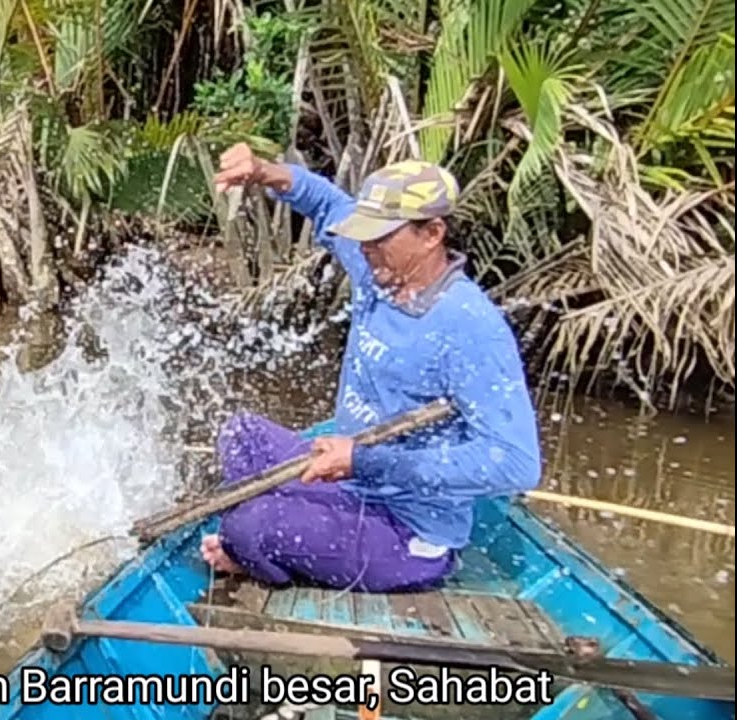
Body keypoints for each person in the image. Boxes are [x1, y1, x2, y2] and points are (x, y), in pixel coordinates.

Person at [198, 145, 543, 592]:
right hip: (351, 483)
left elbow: (516, 465)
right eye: (364, 236)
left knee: (253, 525)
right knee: (241, 434)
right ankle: (274, 538)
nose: (365, 248)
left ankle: (252, 553)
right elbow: (326, 204)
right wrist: (264, 172)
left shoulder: (469, 326)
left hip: (409, 531)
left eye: (380, 238)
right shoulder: (378, 270)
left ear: (432, 233)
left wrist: (365, 461)